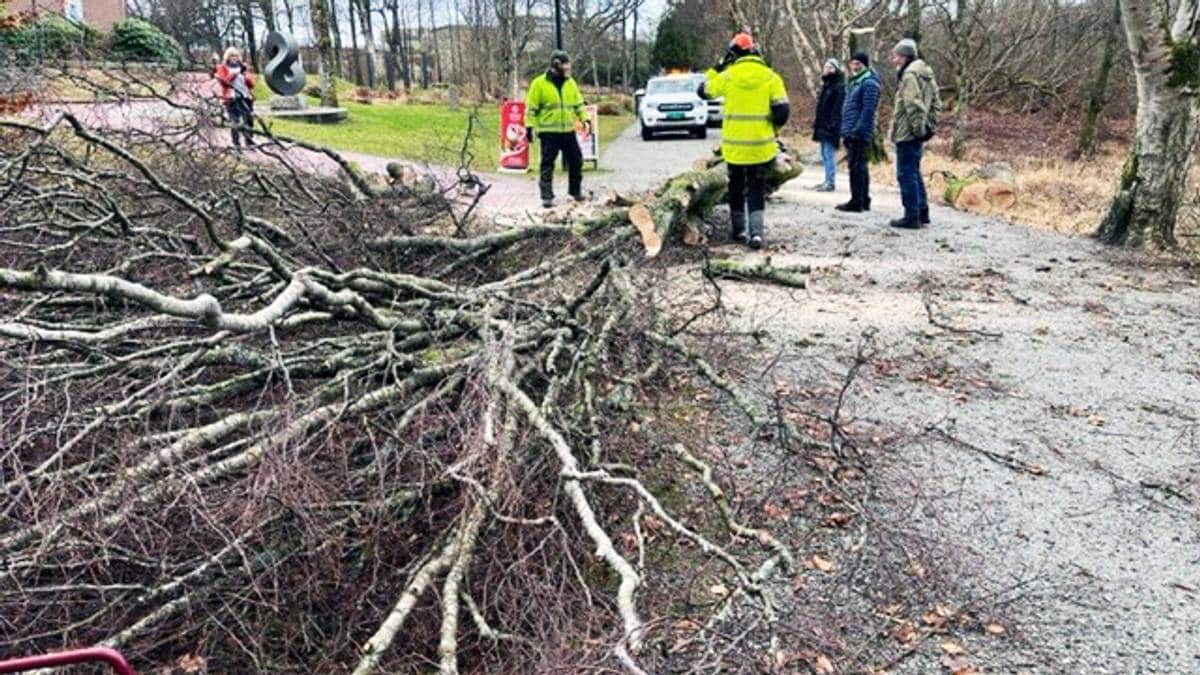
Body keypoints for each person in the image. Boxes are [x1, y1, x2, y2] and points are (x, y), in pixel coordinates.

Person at [698, 33, 790, 250]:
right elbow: (782, 111)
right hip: (761, 145)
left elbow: (702, 91)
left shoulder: (727, 76)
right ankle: (756, 233)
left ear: (733, 54)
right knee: (756, 186)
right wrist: (772, 131)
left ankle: (738, 230)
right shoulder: (771, 77)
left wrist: (716, 67)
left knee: (737, 186)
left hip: (734, 147)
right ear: (755, 52)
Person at [888, 38, 942, 229]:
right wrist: (930, 126)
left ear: (904, 56)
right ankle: (922, 212)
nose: (893, 60)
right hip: (917, 132)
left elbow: (914, 105)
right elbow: (936, 102)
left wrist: (919, 130)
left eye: (895, 56)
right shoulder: (926, 73)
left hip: (908, 132)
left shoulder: (910, 75)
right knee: (914, 172)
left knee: (905, 174)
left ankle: (911, 216)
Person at [525, 51, 589, 208]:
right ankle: (546, 196)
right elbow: (531, 108)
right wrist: (529, 126)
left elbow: (579, 104)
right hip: (549, 133)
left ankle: (575, 191)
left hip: (568, 130)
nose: (568, 68)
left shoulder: (570, 83)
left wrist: (585, 118)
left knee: (576, 160)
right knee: (547, 164)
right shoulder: (539, 84)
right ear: (556, 65)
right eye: (566, 64)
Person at [836, 52, 881, 213]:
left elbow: (868, 109)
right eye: (852, 63)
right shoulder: (855, 82)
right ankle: (863, 199)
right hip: (850, 130)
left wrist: (858, 129)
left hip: (859, 131)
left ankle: (857, 202)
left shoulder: (869, 83)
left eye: (858, 63)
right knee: (859, 166)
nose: (854, 66)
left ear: (864, 65)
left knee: (857, 167)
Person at [810, 58, 845, 192]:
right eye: (826, 67)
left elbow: (837, 109)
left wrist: (832, 124)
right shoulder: (826, 86)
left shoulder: (838, 87)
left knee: (829, 154)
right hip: (822, 125)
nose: (827, 69)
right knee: (824, 154)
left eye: (830, 67)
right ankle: (826, 179)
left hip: (831, 127)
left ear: (836, 70)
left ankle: (830, 182)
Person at [213, 48, 257, 150]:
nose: (234, 58)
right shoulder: (223, 67)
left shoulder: (243, 67)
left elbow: (252, 84)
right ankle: (236, 144)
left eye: (236, 56)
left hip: (245, 97)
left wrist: (245, 75)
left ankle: (249, 141)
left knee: (249, 120)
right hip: (231, 98)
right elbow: (224, 82)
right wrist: (235, 73)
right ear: (227, 57)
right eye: (232, 56)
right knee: (235, 121)